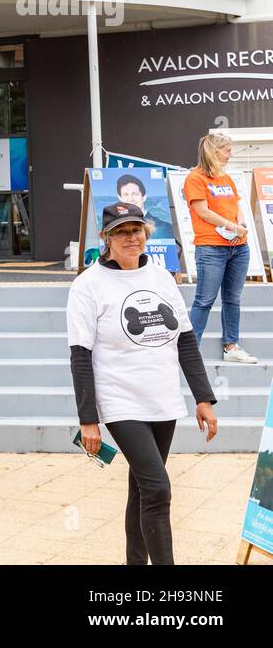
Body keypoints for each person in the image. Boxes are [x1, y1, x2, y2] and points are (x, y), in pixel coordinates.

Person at [68, 202, 219, 564]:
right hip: (120, 400)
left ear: (146, 233)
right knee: (157, 487)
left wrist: (203, 398)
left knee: (141, 489)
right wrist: (88, 419)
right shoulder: (88, 285)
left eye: (136, 229)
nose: (131, 237)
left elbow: (184, 339)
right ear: (106, 238)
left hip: (162, 397)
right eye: (121, 231)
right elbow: (80, 355)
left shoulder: (161, 277)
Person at [184, 134, 260, 364]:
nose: (230, 154)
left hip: (238, 247)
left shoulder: (226, 178)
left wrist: (241, 224)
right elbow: (203, 211)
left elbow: (237, 204)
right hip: (211, 248)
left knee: (232, 299)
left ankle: (231, 347)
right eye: (227, 150)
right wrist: (232, 227)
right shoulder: (194, 178)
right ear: (213, 152)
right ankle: (190, 352)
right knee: (204, 300)